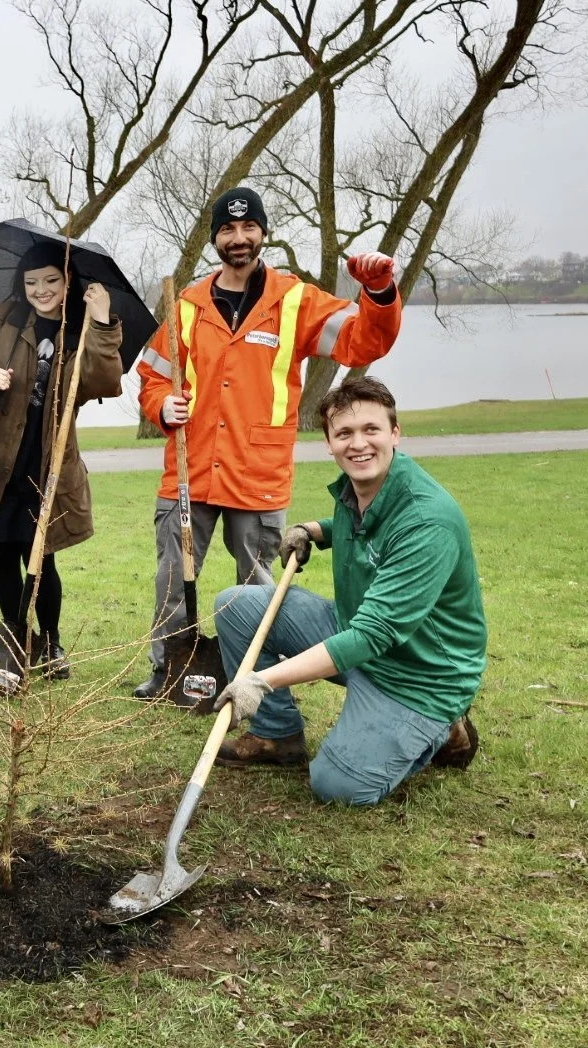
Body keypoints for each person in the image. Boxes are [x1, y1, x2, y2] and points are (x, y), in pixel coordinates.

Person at [132, 186, 403, 700]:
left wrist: (380, 292)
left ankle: (251, 679)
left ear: (262, 233)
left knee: (255, 591)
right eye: (228, 230)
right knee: (172, 581)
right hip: (189, 471)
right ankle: (167, 667)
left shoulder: (295, 301)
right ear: (216, 238)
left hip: (256, 477)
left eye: (248, 228)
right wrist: (163, 406)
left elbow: (366, 340)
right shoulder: (186, 306)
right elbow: (152, 374)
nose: (239, 238)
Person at [209, 378, 484, 805]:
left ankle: (443, 726)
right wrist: (314, 530)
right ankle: (277, 736)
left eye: (371, 430)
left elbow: (374, 635)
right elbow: (361, 526)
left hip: (417, 675)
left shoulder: (428, 520)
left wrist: (260, 682)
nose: (359, 444)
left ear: (395, 433)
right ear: (329, 443)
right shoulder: (359, 488)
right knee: (236, 605)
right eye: (344, 434)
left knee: (338, 786)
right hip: (354, 629)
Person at [0, 242, 124, 689]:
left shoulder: (82, 327)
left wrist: (101, 320)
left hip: (47, 464)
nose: (40, 290)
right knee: (2, 556)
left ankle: (51, 641)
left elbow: (104, 383)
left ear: (67, 284)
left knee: (42, 559)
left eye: (50, 280)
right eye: (31, 282)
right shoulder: (4, 318)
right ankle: (15, 635)